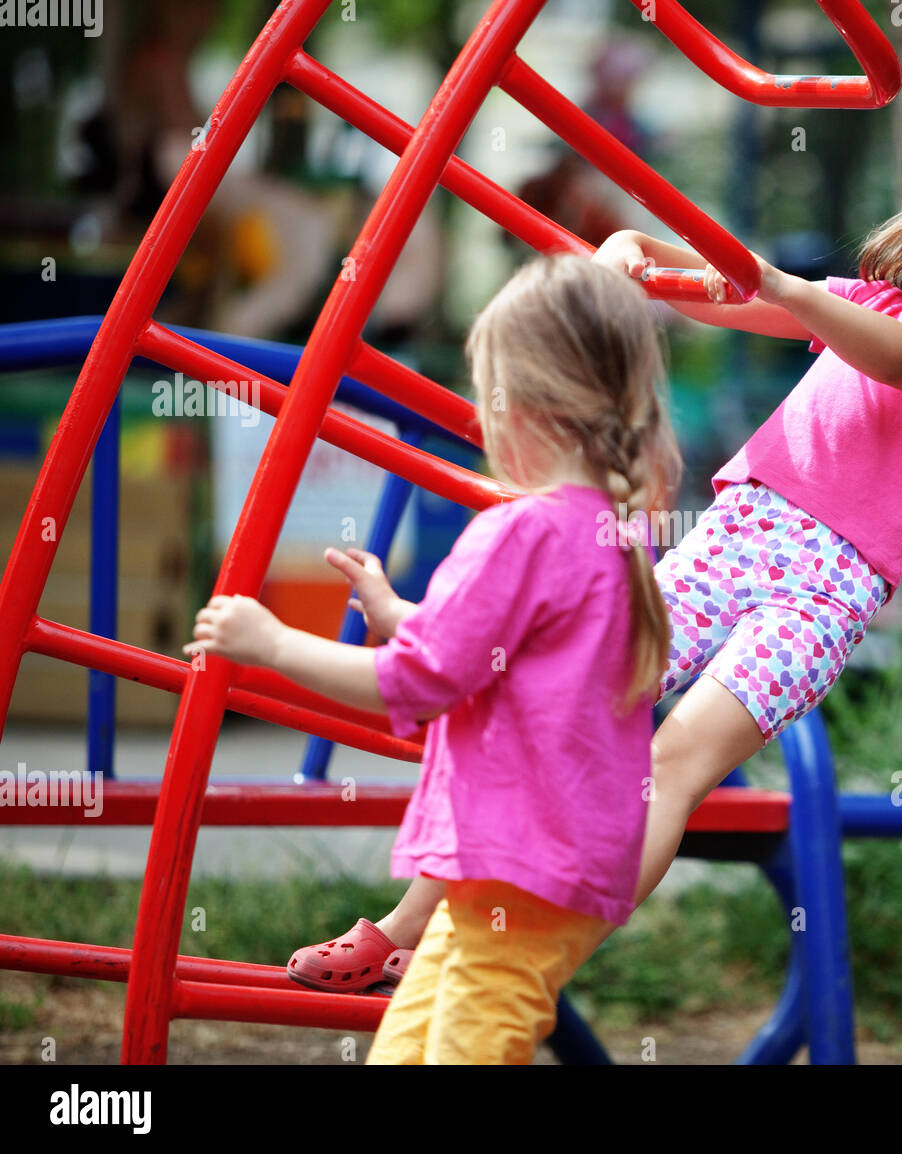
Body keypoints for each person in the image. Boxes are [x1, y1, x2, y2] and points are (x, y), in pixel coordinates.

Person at [284, 83, 902, 1018]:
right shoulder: (864, 302)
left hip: (821, 590)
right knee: (559, 707)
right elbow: (726, 296)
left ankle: (517, 949)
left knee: (673, 762)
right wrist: (645, 257)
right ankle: (402, 931)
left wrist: (787, 291)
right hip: (736, 535)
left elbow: (896, 365)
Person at [185, 254, 682, 1063]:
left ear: (530, 405)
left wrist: (272, 645)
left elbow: (412, 681)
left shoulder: (520, 530)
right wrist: (404, 614)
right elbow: (516, 658)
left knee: (467, 1046)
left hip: (517, 866)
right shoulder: (607, 537)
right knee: (414, 1044)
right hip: (536, 868)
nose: (480, 427)